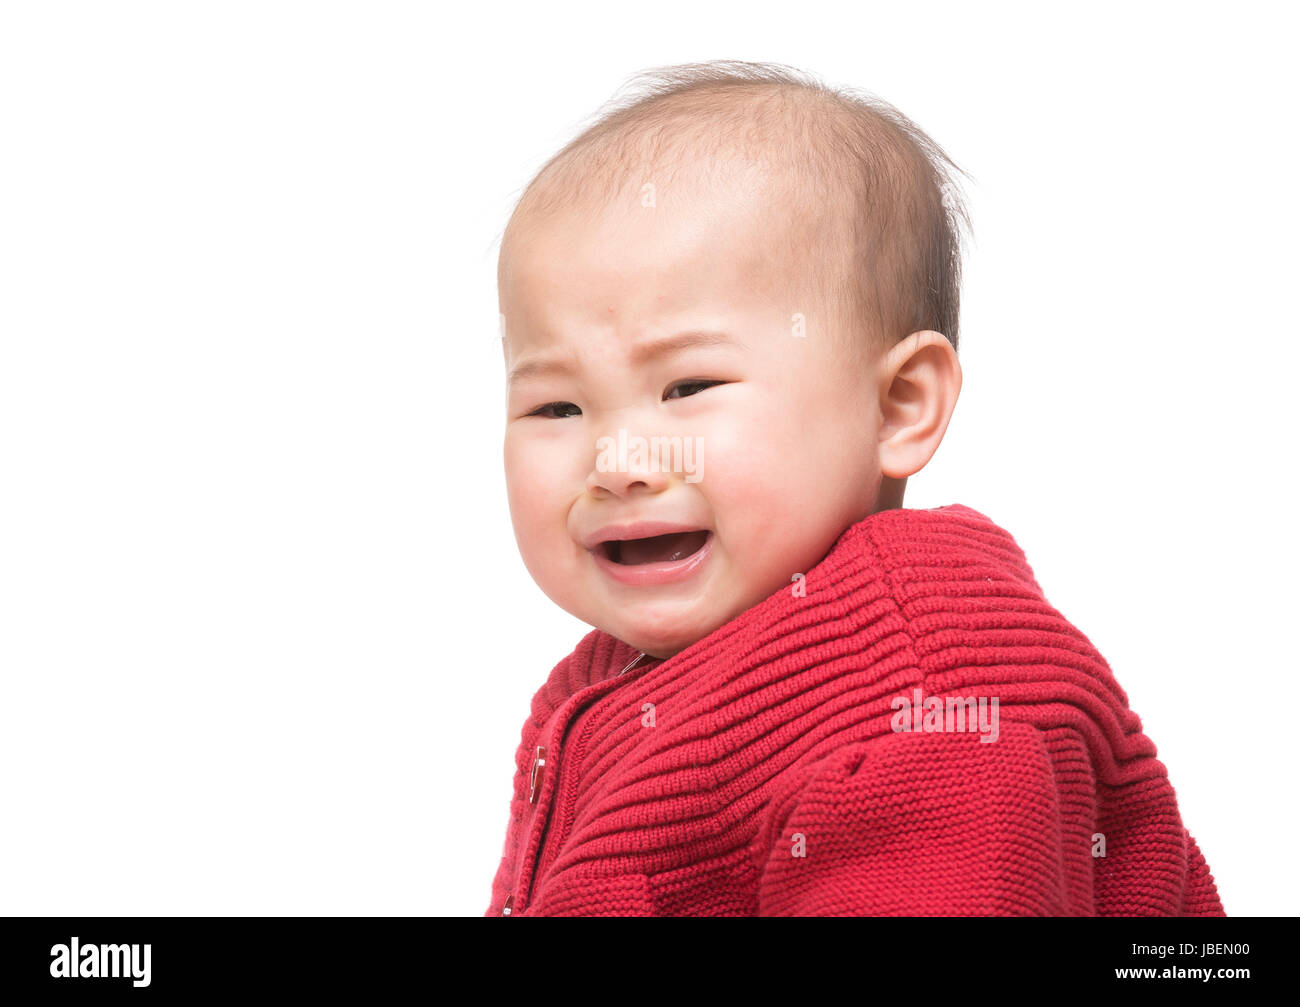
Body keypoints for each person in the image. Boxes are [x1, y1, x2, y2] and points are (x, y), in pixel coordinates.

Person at [486, 60, 1224, 916]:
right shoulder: (614, 680)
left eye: (688, 389)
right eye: (556, 405)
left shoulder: (927, 715)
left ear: (900, 405)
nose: (618, 460)